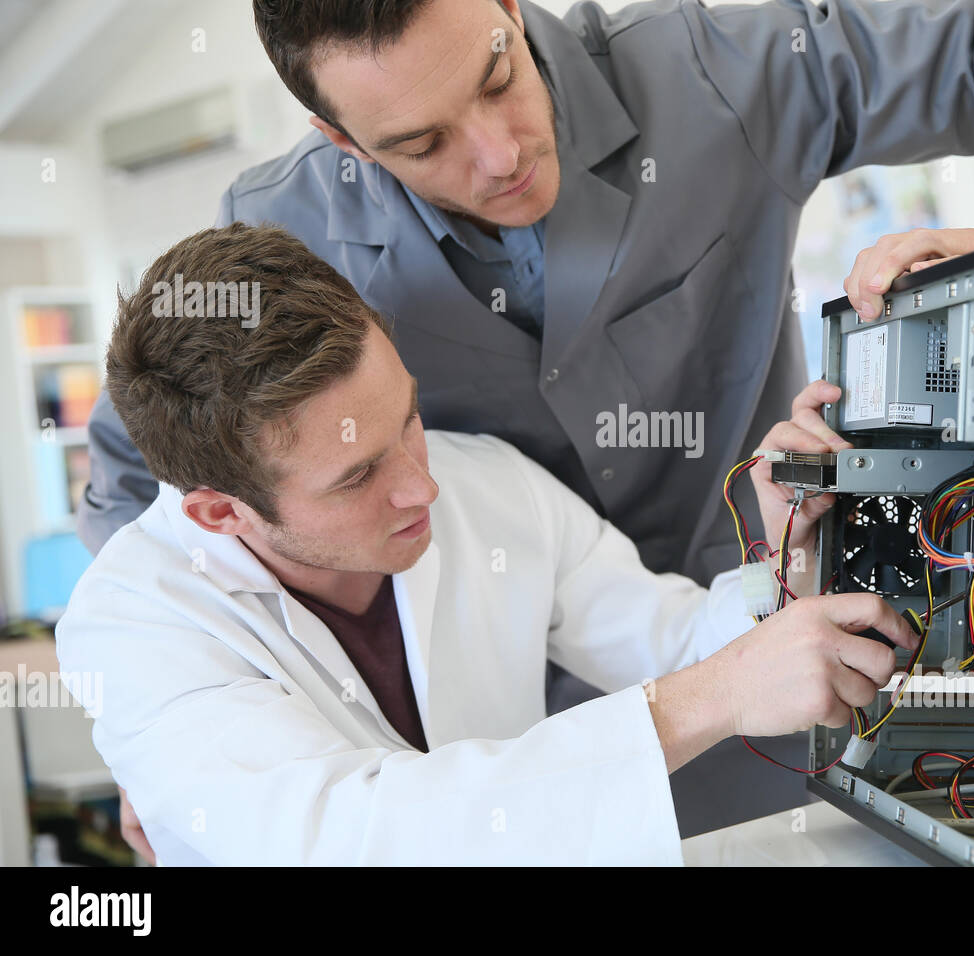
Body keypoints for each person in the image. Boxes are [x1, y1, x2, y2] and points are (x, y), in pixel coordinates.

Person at [77, 0, 974, 835]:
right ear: (337, 135)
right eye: (420, 141)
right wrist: (166, 734)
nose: (495, 156)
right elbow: (145, 470)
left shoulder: (712, 76)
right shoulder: (284, 239)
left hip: (754, 647)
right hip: (566, 715)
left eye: (497, 77)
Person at [55, 222, 916, 864]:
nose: (422, 485)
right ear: (219, 512)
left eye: (409, 419)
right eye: (356, 477)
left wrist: (786, 547)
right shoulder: (135, 627)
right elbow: (357, 840)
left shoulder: (486, 486)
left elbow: (678, 643)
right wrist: (708, 698)